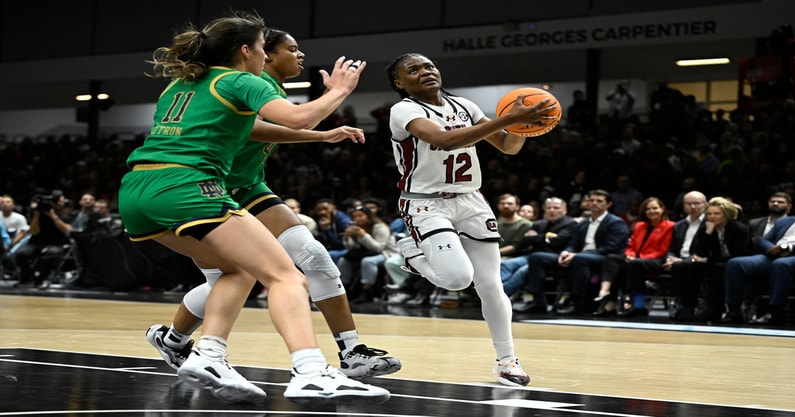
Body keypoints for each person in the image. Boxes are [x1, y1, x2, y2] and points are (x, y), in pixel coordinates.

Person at [117, 13, 388, 403]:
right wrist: (340, 91)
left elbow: (250, 128)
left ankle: (209, 354)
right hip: (189, 185)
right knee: (286, 277)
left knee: (236, 271)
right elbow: (298, 115)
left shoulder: (182, 84)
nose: (263, 57)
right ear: (246, 51)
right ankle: (311, 371)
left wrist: (319, 135)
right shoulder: (242, 79)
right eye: (262, 49)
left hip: (138, 190)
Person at [386, 52, 558, 387]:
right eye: (414, 70)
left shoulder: (464, 106)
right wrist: (506, 119)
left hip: (470, 200)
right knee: (456, 279)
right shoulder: (404, 110)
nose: (425, 72)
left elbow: (508, 147)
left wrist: (519, 124)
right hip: (426, 203)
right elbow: (445, 140)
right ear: (399, 82)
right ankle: (413, 253)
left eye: (429, 66)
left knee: (491, 285)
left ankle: (507, 361)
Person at [529, 190, 629, 316]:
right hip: (578, 256)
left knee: (579, 259)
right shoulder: (583, 223)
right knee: (537, 257)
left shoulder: (616, 222)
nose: (594, 203)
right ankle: (537, 301)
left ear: (608, 204)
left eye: (599, 201)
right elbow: (573, 243)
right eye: (591, 200)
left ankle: (576, 302)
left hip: (604, 259)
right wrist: (566, 252)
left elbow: (611, 248)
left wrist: (575, 255)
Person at [672, 197, 751, 322]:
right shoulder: (707, 227)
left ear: (726, 214)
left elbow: (738, 255)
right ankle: (688, 306)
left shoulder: (739, 229)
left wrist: (708, 260)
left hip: (738, 263)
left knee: (718, 268)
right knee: (693, 266)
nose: (712, 217)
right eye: (709, 214)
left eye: (716, 214)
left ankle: (714, 308)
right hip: (716, 261)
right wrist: (708, 233)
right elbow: (700, 252)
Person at [504, 197, 578, 312]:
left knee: (522, 271)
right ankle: (492, 291)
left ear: (564, 210)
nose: (552, 210)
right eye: (549, 208)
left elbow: (559, 241)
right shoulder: (539, 223)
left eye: (556, 208)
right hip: (532, 256)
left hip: (554, 257)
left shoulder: (571, 224)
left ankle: (501, 295)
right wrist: (546, 236)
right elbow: (524, 240)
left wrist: (536, 237)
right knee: (507, 264)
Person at [603, 197, 675, 317]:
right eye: (648, 209)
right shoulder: (640, 225)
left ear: (662, 209)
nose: (651, 211)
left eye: (655, 208)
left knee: (632, 265)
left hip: (657, 260)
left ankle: (638, 305)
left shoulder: (670, 226)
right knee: (612, 259)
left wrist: (639, 258)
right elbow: (631, 245)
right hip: (636, 260)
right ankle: (608, 297)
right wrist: (630, 255)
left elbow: (663, 249)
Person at [722, 215, 795, 325]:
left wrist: (786, 247)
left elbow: (785, 248)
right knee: (736, 263)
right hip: (774, 255)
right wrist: (771, 248)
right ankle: (734, 311)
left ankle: (774, 312)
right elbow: (764, 240)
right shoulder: (785, 221)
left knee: (781, 264)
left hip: (789, 257)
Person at [338, 204, 399, 303]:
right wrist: (347, 237)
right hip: (367, 252)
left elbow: (379, 248)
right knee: (343, 260)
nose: (357, 219)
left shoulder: (380, 227)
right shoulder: (356, 227)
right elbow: (351, 248)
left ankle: (367, 290)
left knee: (368, 262)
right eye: (354, 217)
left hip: (386, 254)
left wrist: (364, 235)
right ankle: (343, 289)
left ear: (368, 216)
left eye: (360, 216)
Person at [14, 191, 72, 287]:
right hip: (36, 242)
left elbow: (66, 230)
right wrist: (37, 215)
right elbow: (33, 231)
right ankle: (28, 278)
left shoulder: (64, 214)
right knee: (21, 254)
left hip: (56, 243)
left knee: (51, 254)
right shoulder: (38, 213)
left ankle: (41, 279)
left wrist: (53, 216)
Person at [664, 191, 708, 320]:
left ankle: (687, 305)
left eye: (696, 203)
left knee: (684, 266)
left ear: (705, 205)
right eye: (689, 204)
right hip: (677, 261)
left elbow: (705, 250)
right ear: (684, 206)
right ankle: (637, 305)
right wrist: (669, 258)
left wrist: (683, 260)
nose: (693, 207)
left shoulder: (710, 224)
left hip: (698, 262)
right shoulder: (678, 225)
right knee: (636, 264)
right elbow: (671, 248)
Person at [313, 198, 351, 263]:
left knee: (330, 254)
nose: (322, 212)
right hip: (332, 248)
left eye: (325, 209)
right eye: (319, 210)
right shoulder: (321, 220)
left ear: (334, 207)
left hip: (347, 249)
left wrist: (327, 229)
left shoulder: (344, 221)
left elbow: (341, 244)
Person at [495, 194, 533, 259]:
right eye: (502, 203)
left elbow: (515, 247)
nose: (505, 206)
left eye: (510, 204)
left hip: (513, 257)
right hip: (495, 255)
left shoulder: (525, 224)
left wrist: (493, 253)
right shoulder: (497, 222)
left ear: (517, 207)